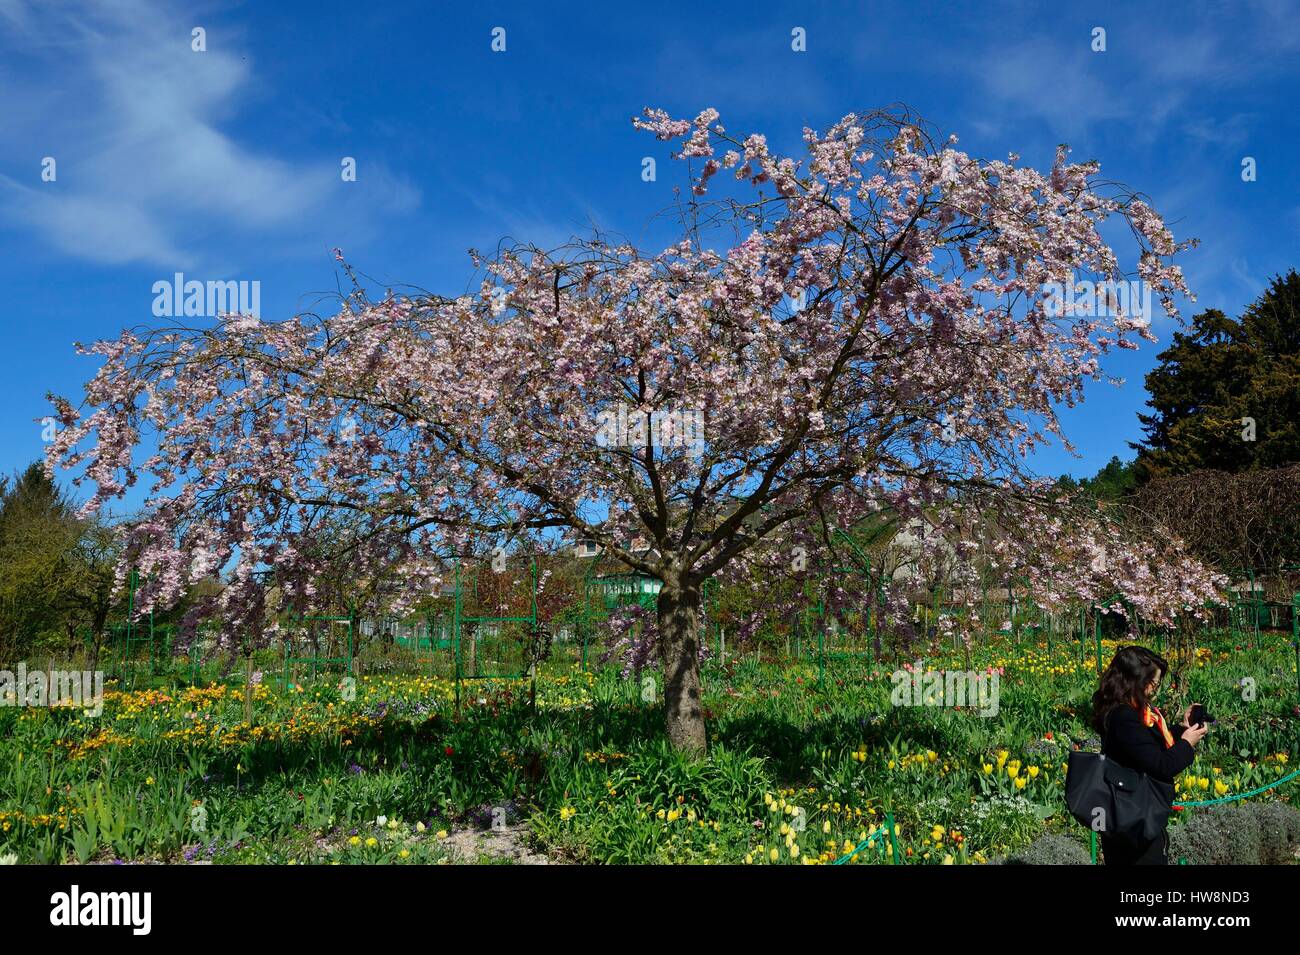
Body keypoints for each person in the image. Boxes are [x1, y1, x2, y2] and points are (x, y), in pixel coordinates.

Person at [1090, 645, 1209, 864]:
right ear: (1136, 681)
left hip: (1130, 814)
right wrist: (1187, 744)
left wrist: (1182, 730)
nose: (1155, 689)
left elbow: (1145, 747)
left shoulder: (1126, 710)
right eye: (1153, 683)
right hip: (1133, 819)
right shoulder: (1124, 716)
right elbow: (1160, 764)